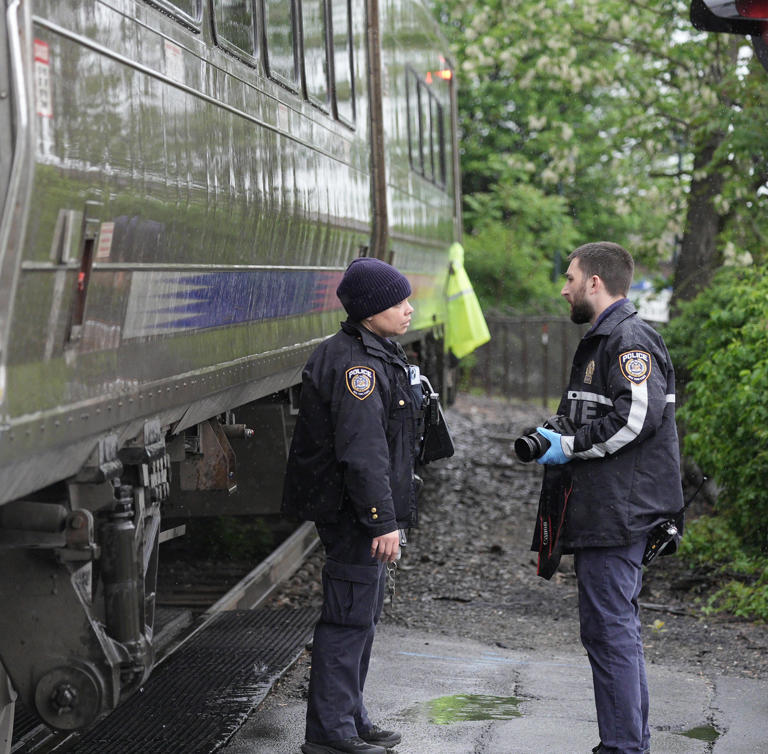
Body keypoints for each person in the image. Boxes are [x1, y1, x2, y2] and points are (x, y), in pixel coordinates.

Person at [531, 242, 683, 754]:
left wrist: (571, 445)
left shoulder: (628, 338)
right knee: (612, 630)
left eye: (570, 277)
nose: (564, 288)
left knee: (610, 631)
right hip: (609, 509)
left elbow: (637, 417)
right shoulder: (605, 338)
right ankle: (627, 743)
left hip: (620, 514)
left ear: (594, 282)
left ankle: (623, 748)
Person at [282, 257, 423, 754]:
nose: (408, 309)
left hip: (359, 510)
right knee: (347, 620)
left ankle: (350, 715)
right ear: (369, 311)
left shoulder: (373, 351)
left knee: (361, 616)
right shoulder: (355, 366)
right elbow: (363, 452)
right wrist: (382, 521)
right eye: (398, 302)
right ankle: (330, 732)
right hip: (353, 513)